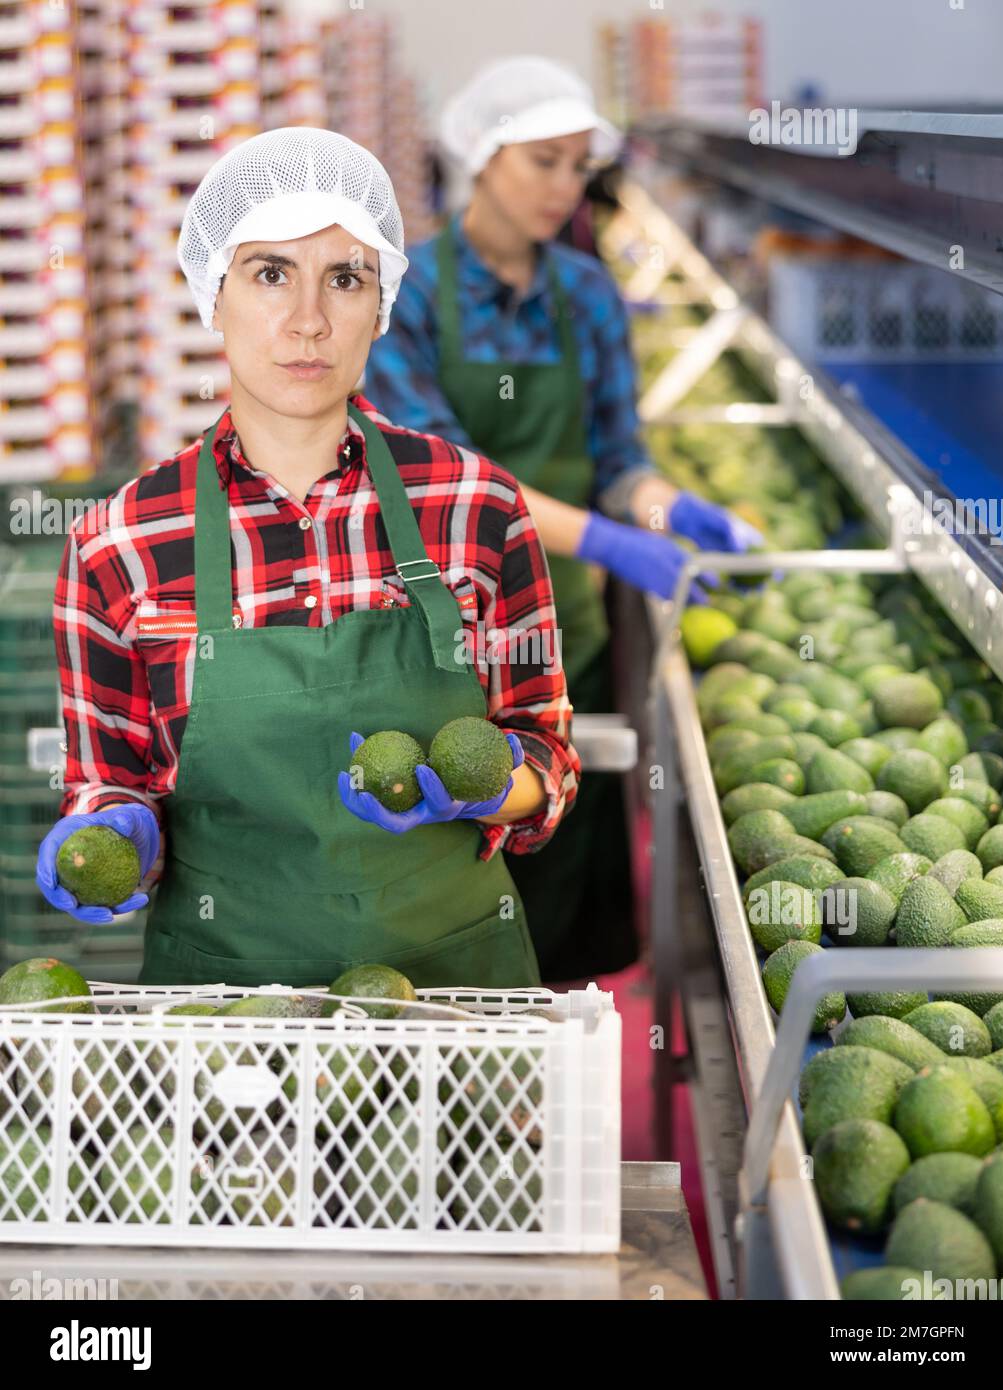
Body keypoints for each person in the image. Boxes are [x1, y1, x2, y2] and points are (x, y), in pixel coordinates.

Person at [35, 127, 580, 990]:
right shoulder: (118, 545)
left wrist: (490, 787)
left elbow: (546, 755)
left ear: (383, 304)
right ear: (214, 296)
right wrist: (115, 832)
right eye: (270, 274)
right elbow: (111, 780)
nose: (307, 322)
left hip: (458, 1008)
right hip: (227, 1032)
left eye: (345, 278)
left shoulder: (478, 508)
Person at [365, 56, 759, 982]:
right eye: (541, 160)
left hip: (554, 635)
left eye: (578, 166)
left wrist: (668, 512)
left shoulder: (585, 294)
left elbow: (619, 461)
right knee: (444, 899)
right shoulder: (406, 297)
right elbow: (448, 486)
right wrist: (607, 541)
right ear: (481, 157)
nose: (563, 186)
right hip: (434, 642)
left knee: (560, 898)